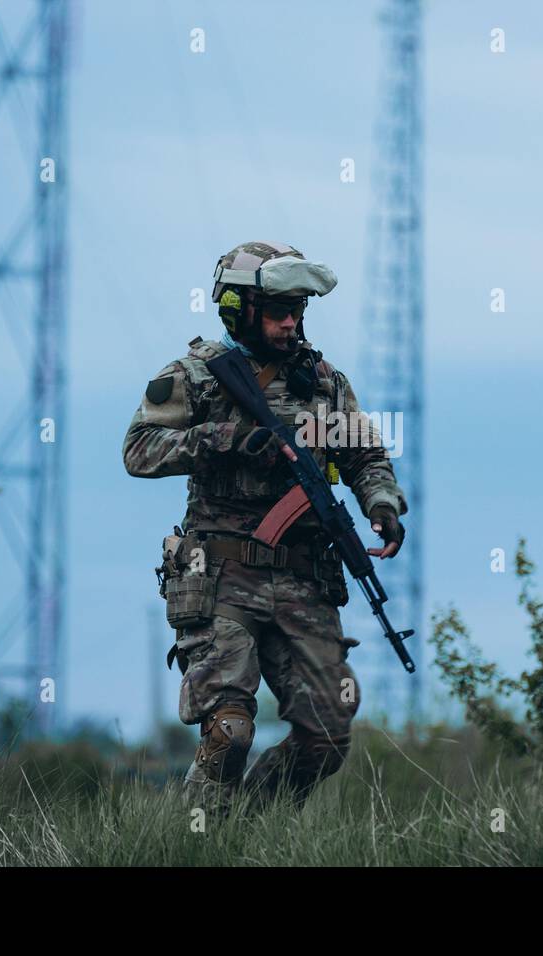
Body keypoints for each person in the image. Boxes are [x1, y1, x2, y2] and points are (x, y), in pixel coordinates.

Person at [123, 240, 407, 812]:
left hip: (304, 579)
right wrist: (223, 441)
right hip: (220, 576)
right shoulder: (197, 375)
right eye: (279, 310)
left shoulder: (323, 382)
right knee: (230, 733)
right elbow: (139, 450)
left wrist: (382, 503)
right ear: (239, 309)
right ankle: (197, 842)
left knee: (327, 736)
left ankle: (249, 831)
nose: (291, 322)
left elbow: (364, 455)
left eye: (299, 310)